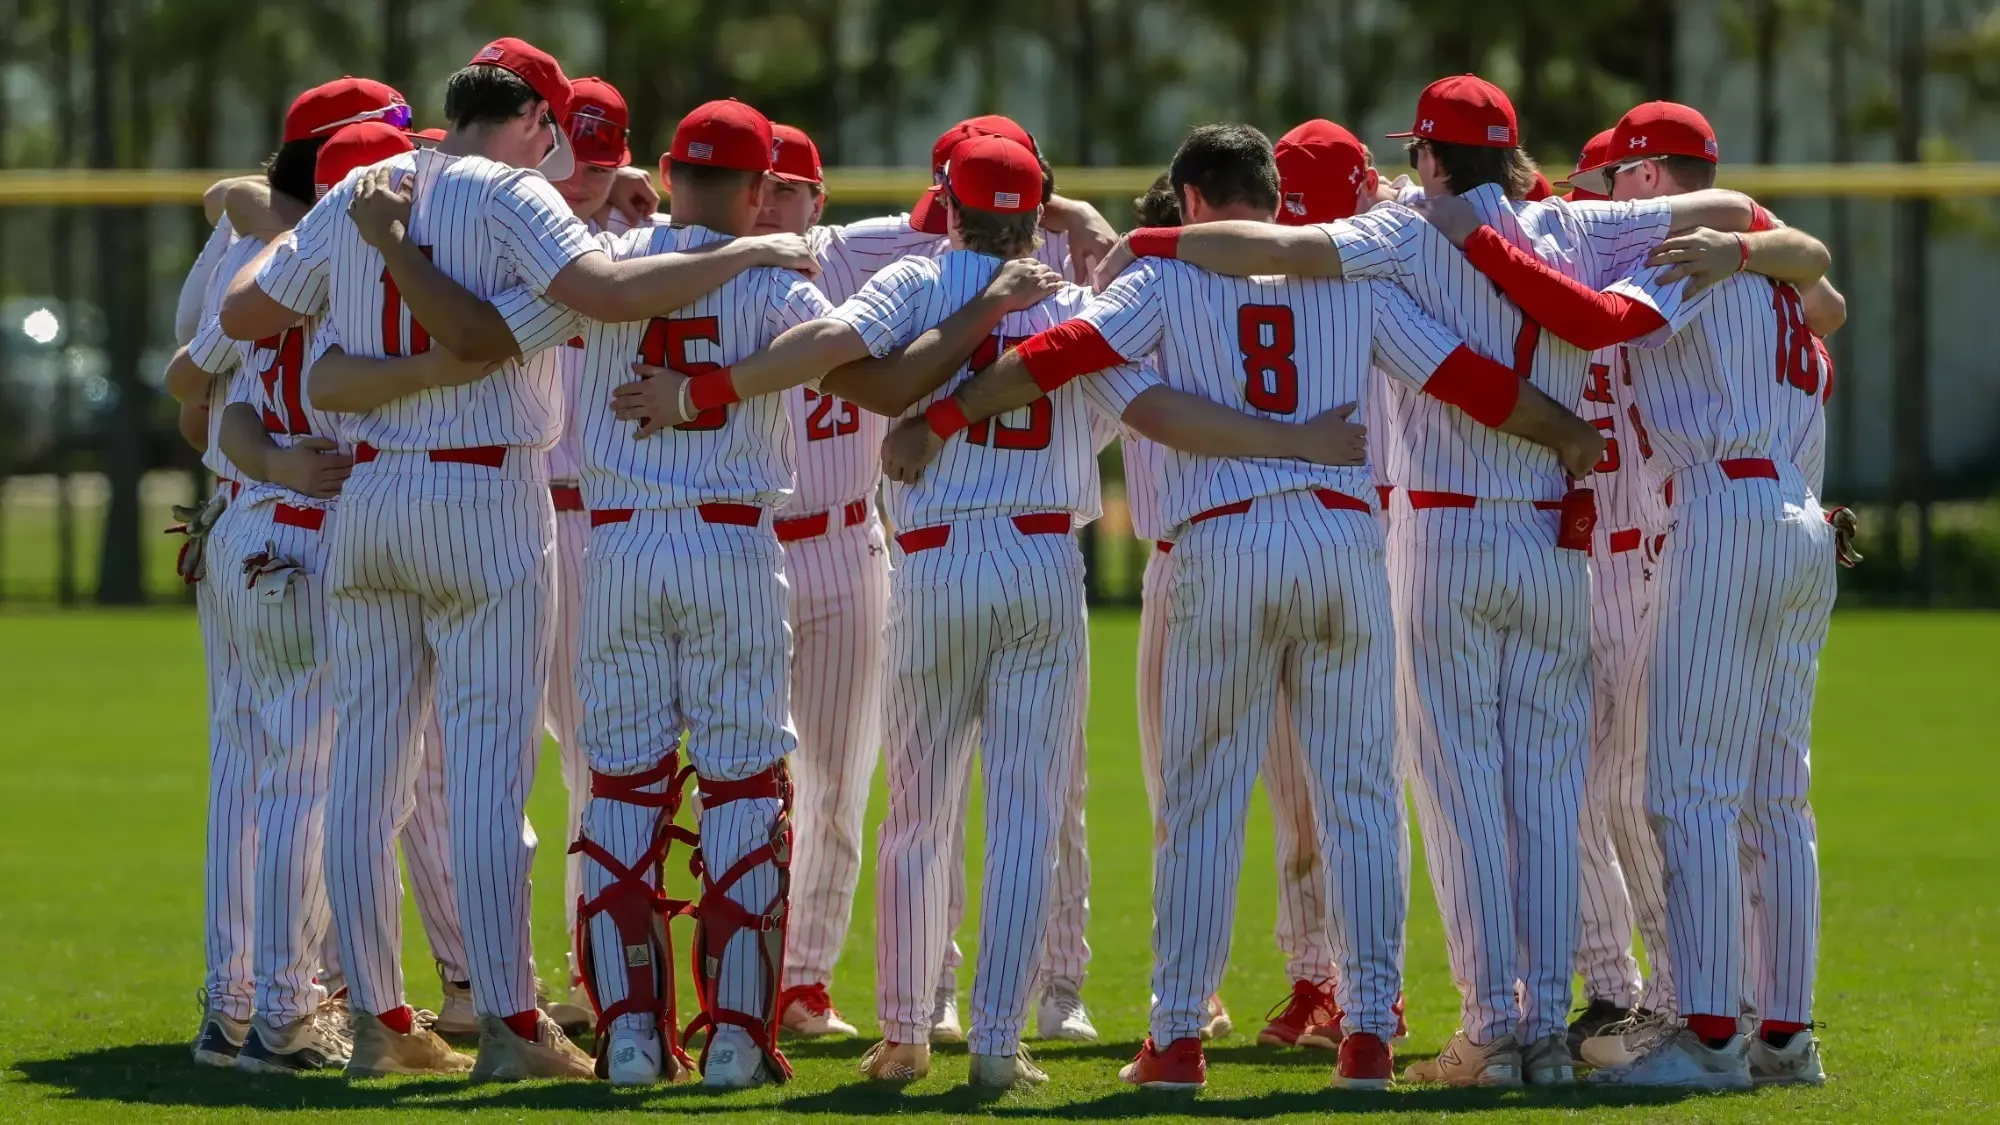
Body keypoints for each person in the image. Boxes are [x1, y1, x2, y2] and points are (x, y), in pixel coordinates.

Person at [880, 122, 1608, 1093]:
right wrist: (1563, 429)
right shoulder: (1350, 278)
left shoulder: (1170, 274)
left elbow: (1061, 351)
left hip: (1222, 542)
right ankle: (1365, 1034)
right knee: (1359, 801)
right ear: (1270, 198)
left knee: (1203, 805)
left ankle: (1177, 1038)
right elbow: (1466, 381)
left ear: (1187, 200)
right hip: (1343, 544)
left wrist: (939, 417)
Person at [1091, 75, 1767, 1087]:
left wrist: (1145, 242)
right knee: (1544, 797)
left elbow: (1275, 252)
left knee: (1452, 797)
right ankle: (1525, 1026)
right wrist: (1753, 246)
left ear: (1434, 159)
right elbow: (1716, 206)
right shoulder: (1571, 230)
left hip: (1442, 534)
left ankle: (1489, 1029)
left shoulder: (1404, 233)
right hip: (1554, 537)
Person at [219, 39, 814, 1081]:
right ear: (541, 120)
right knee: (490, 774)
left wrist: (369, 314)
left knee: (367, 769)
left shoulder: (367, 183)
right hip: (485, 489)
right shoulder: (515, 196)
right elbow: (602, 298)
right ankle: (506, 1022)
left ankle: (375, 1023)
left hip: (366, 491)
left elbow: (248, 315)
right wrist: (747, 252)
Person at [1422, 100, 1842, 1090]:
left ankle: (1704, 1036)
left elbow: (1589, 319)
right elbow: (1822, 297)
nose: (1607, 199)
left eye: (1616, 179)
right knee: (1777, 798)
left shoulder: (1693, 252)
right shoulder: (1767, 270)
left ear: (1647, 178)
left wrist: (1477, 239)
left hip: (1715, 512)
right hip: (1797, 517)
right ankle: (1783, 1034)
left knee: (1683, 790)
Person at [161, 75, 411, 1071]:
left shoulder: (245, 254)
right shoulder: (342, 261)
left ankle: (232, 1000)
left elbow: (194, 391)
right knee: (312, 775)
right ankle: (290, 1005)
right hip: (309, 523)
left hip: (238, 515)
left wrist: (248, 463)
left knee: (246, 767)